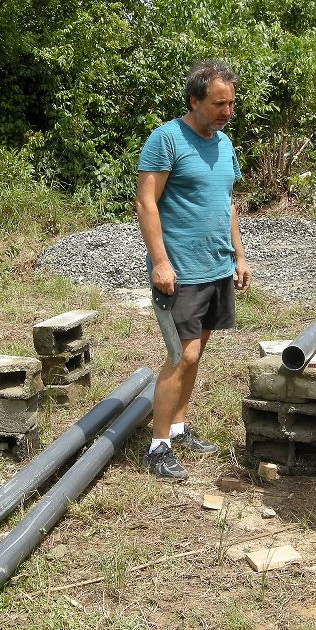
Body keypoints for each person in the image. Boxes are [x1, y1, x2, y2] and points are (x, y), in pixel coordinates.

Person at [135, 59, 252, 481]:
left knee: (197, 351)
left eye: (231, 104)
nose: (227, 112)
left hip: (216, 267)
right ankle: (158, 445)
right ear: (194, 100)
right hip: (179, 271)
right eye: (219, 104)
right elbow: (147, 202)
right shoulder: (165, 139)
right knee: (180, 354)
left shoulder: (224, 144)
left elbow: (228, 203)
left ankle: (179, 427)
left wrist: (238, 254)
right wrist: (160, 261)